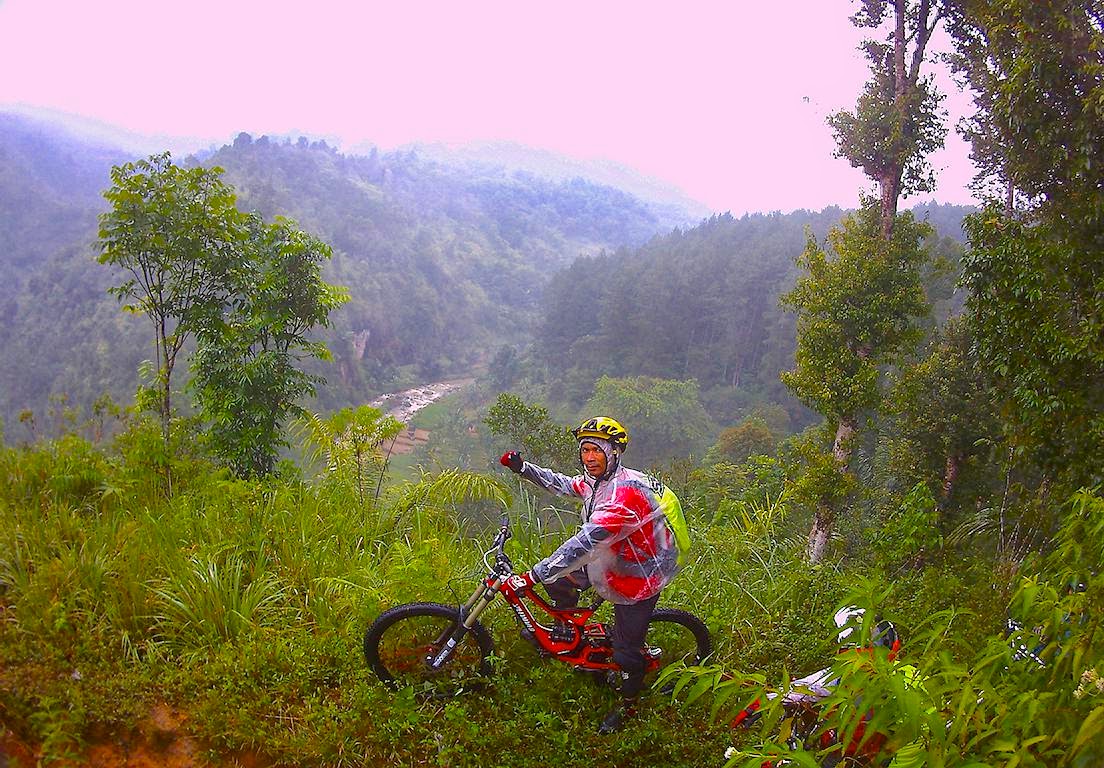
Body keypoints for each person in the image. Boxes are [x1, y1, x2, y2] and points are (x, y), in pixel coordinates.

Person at [499, 416, 691, 734]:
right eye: (585, 450)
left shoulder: (623, 495)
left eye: (596, 451)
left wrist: (534, 575)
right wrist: (523, 469)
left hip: (638, 573)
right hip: (613, 554)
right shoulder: (599, 482)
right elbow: (564, 484)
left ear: (614, 452)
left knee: (626, 653)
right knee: (560, 581)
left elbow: (583, 543)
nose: (589, 457)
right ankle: (566, 632)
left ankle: (628, 705)